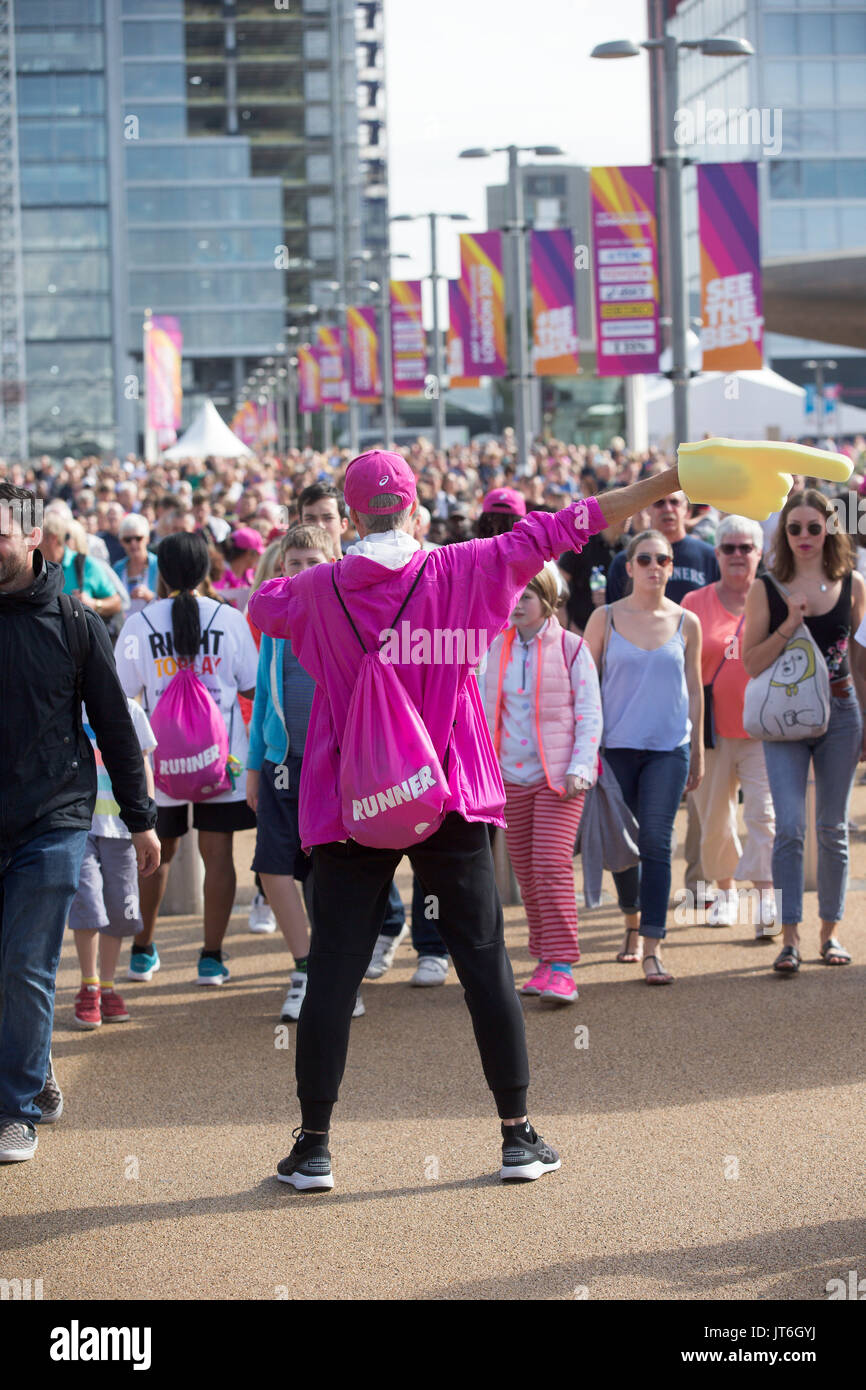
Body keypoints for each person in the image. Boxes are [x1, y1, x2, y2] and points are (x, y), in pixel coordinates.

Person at [249, 448, 685, 1190]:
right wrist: (668, 482)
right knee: (483, 958)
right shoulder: (469, 564)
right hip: (449, 788)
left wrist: (320, 558)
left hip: (353, 797)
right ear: (417, 510)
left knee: (332, 970)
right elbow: (573, 523)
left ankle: (314, 1147)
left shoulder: (315, 589)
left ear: (350, 517)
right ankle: (517, 1136)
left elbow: (262, 603)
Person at [0, 483, 159, 1164]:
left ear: (33, 537)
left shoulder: (74, 621)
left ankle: (15, 1107)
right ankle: (33, 1064)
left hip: (55, 819)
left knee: (27, 965)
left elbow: (117, 730)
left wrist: (141, 818)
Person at [114, 531, 259, 986]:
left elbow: (122, 696)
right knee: (218, 854)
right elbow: (252, 686)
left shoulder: (141, 623)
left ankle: (142, 952)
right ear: (206, 571)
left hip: (160, 761)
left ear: (162, 572)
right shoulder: (230, 618)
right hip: (225, 758)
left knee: (157, 853)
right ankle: (211, 958)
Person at [742, 488, 866, 973]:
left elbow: (859, 661)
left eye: (815, 527)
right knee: (789, 827)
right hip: (784, 718)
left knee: (833, 829)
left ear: (830, 529)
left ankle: (829, 935)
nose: (805, 537)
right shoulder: (765, 587)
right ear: (783, 532)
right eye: (795, 528)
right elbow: (750, 663)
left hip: (841, 714)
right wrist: (788, 623)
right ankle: (788, 938)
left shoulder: (853, 583)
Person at [246, 525, 365, 1021]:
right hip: (280, 764)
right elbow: (260, 702)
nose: (301, 570)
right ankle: (304, 967)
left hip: (334, 766)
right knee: (273, 869)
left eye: (311, 561)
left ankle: (338, 979)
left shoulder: (348, 617)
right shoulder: (278, 623)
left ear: (334, 561)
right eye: (293, 563)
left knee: (329, 874)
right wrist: (254, 767)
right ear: (282, 569)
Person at [584, 529, 704, 984]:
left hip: (668, 749)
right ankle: (631, 923)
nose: (656, 566)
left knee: (656, 841)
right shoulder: (604, 618)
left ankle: (653, 944)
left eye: (664, 560)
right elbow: (585, 683)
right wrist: (585, 745)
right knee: (624, 846)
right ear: (629, 567)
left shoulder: (686, 621)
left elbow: (695, 689)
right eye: (646, 559)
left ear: (672, 567)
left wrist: (697, 752)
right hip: (615, 748)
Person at [479, 567, 602, 1004]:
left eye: (528, 593)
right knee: (528, 873)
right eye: (514, 593)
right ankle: (545, 960)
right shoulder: (493, 647)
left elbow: (590, 712)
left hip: (560, 780)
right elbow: (477, 708)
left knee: (551, 867)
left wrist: (580, 767)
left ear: (548, 599)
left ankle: (564, 964)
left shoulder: (573, 648)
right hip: (509, 779)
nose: (518, 601)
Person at [681, 516, 777, 936]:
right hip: (711, 731)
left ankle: (766, 896)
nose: (738, 555)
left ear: (760, 554)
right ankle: (725, 892)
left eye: (746, 548)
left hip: (764, 729)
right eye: (729, 548)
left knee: (764, 815)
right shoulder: (693, 602)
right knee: (715, 820)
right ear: (716, 554)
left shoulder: (777, 598)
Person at [70, 697, 158, 1029]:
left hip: (122, 830)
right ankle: (89, 986)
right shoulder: (65, 704)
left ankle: (107, 985)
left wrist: (146, 823)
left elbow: (143, 765)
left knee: (121, 911)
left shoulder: (130, 711)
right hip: (77, 826)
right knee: (88, 907)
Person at [113, 515, 159, 616]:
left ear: (147, 539)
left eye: (138, 538)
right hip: (124, 627)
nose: (133, 544)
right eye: (127, 540)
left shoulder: (159, 565)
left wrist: (150, 597)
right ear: (121, 542)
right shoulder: (118, 568)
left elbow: (169, 599)